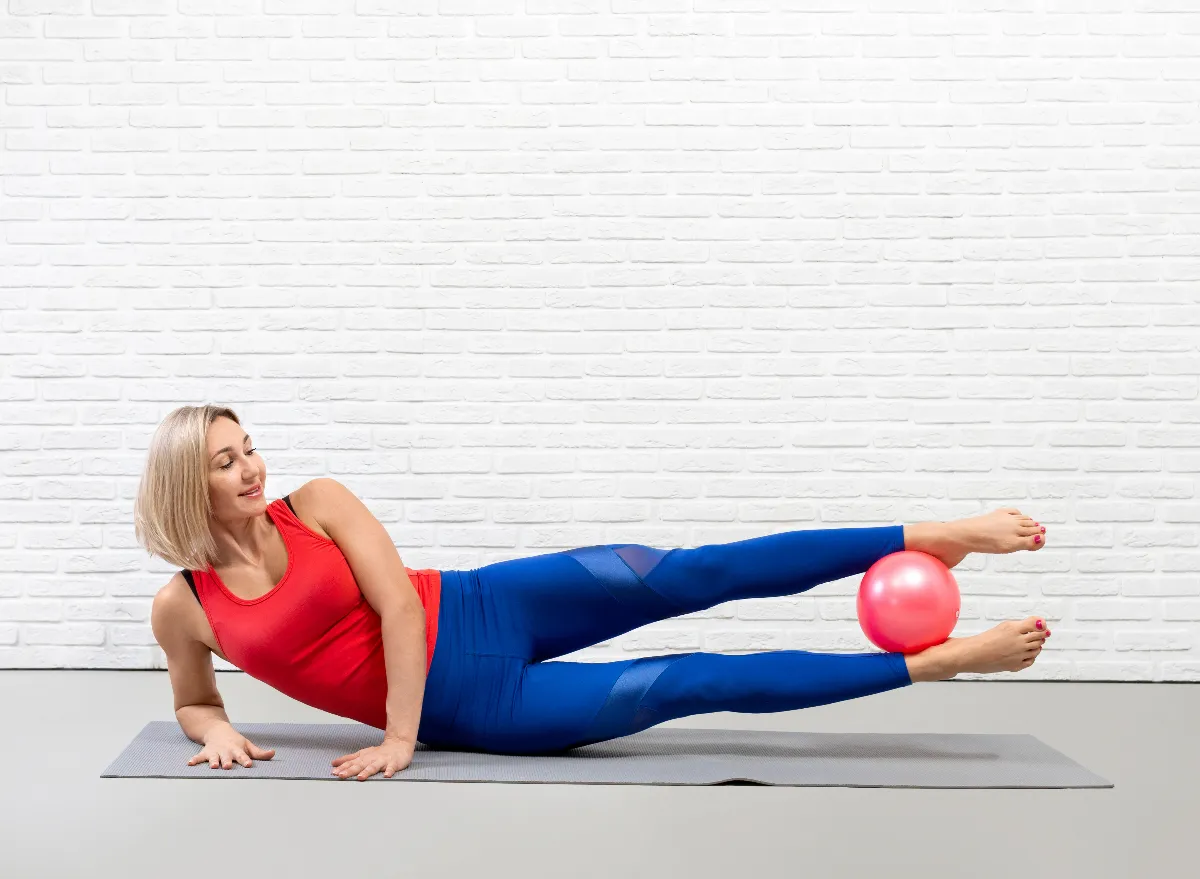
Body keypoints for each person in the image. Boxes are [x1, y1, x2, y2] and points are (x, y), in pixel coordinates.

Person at [136, 405, 1051, 778]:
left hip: (487, 602)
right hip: (487, 702)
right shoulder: (185, 606)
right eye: (227, 461)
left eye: (248, 446)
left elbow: (402, 609)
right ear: (191, 486)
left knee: (694, 570)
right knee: (690, 682)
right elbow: (191, 695)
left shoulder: (320, 503)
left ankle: (925, 533)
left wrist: (398, 739)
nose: (253, 466)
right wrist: (212, 724)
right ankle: (931, 664)